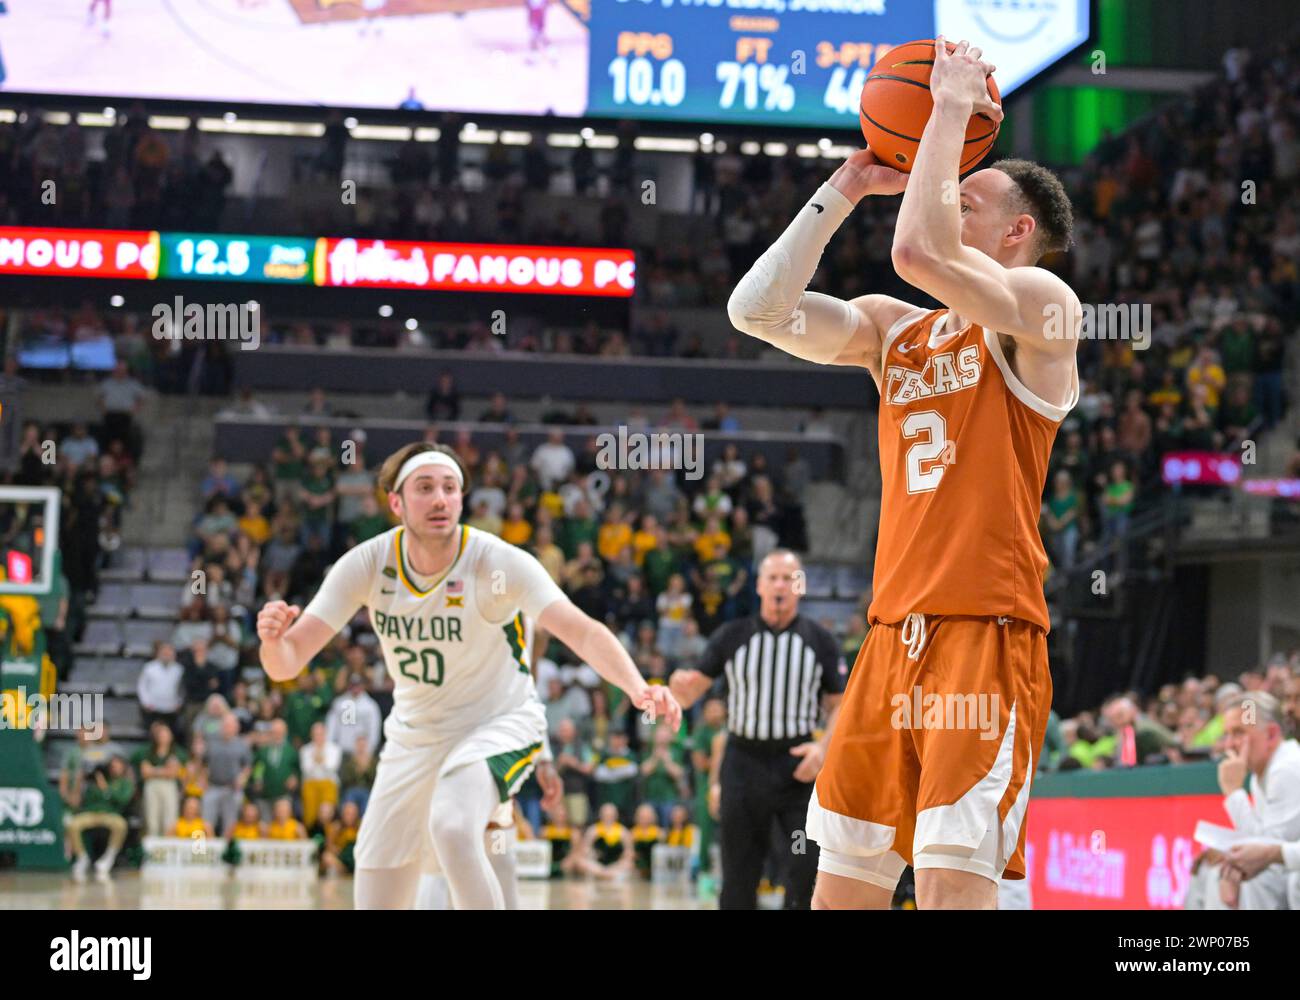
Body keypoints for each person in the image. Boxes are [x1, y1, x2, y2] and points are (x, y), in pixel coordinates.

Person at [727, 38, 1078, 910]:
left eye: (967, 193)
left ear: (1017, 231)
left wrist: (951, 104)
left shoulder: (1044, 310)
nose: (943, 195)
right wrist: (844, 187)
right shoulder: (895, 331)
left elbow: (920, 252)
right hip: (890, 639)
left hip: (985, 633)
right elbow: (756, 310)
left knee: (956, 889)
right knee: (841, 893)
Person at [257, 442, 680, 909]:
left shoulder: (497, 561)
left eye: (450, 488)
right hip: (414, 737)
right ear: (396, 503)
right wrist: (274, 642)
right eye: (425, 488)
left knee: (454, 826)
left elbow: (580, 630)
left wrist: (639, 687)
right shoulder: (367, 564)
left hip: (499, 723)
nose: (440, 499)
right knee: (377, 893)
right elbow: (289, 663)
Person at [670, 549, 844, 909]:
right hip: (743, 766)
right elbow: (692, 692)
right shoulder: (732, 636)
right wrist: (677, 686)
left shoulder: (820, 641)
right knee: (739, 870)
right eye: (773, 578)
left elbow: (840, 705)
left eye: (788, 578)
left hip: (795, 769)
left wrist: (822, 749)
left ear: (800, 587)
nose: (780, 585)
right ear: (760, 585)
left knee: (801, 863)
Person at [1212, 692, 1300, 909]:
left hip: (1289, 873)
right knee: (1212, 867)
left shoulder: (1287, 768)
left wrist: (1233, 792)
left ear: (1271, 734)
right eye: (1227, 735)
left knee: (1252, 879)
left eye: (1239, 733)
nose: (1229, 745)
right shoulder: (1261, 772)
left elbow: (1266, 852)